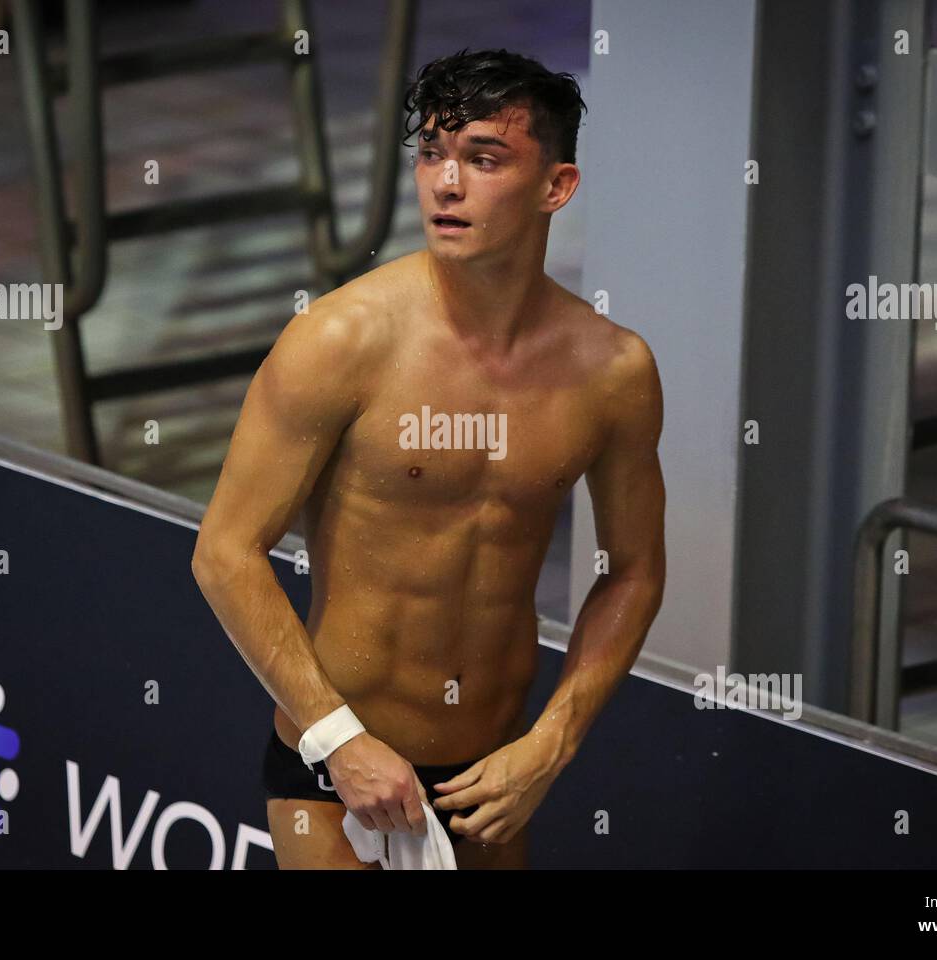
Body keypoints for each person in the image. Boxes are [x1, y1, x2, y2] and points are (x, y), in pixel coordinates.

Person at [192, 48, 665, 869]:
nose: (446, 184)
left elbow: (634, 570)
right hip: (338, 773)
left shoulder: (612, 372)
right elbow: (224, 553)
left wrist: (551, 743)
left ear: (557, 187)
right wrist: (338, 740)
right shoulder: (341, 341)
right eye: (432, 155)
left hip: (490, 783)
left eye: (483, 159)